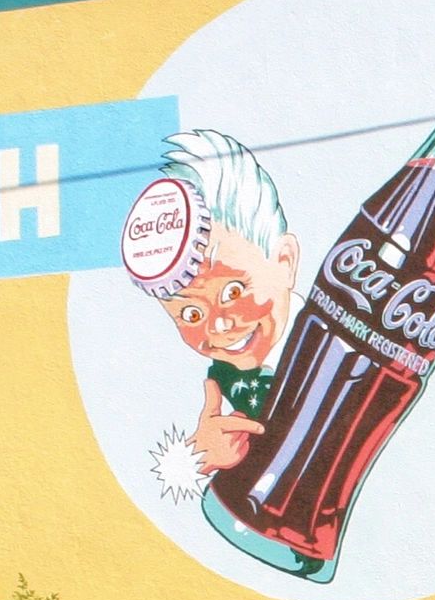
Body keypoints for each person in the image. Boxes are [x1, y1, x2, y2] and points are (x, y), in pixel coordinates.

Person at [127, 130, 304, 479]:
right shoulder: (222, 381)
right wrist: (201, 457)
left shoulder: (336, 343)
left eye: (234, 292)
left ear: (285, 261)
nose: (219, 326)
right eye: (191, 314)